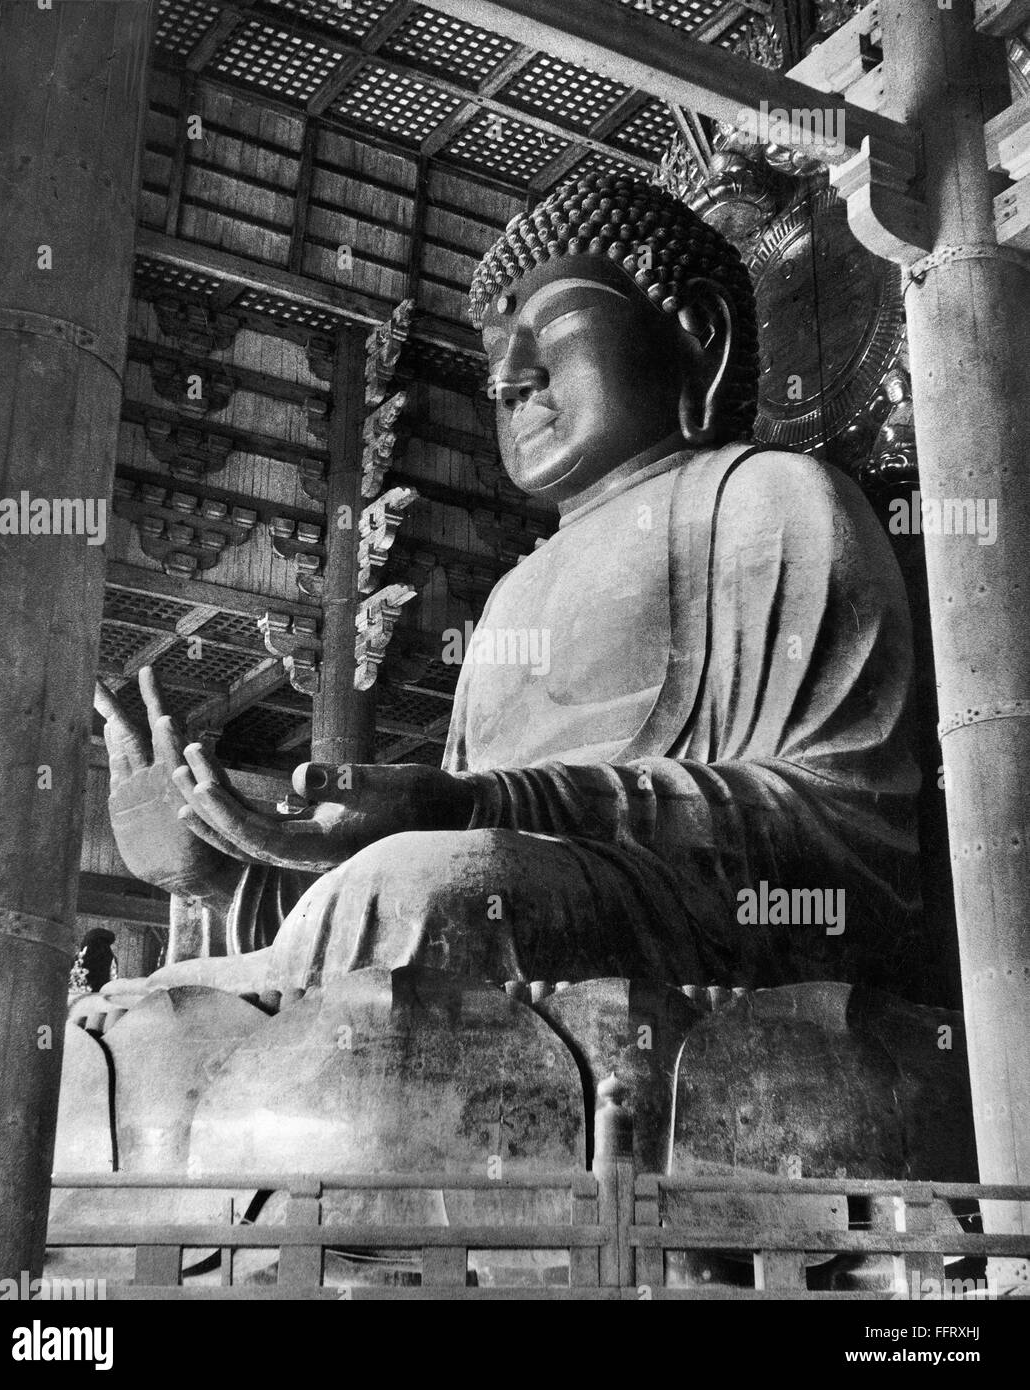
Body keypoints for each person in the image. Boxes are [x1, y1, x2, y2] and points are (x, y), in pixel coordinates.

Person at [95, 171, 922, 1002]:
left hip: (704, 932)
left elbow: (845, 833)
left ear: (696, 332)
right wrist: (217, 874)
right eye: (495, 362)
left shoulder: (768, 500)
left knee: (422, 893)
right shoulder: (508, 601)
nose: (508, 381)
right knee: (136, 1004)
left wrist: (477, 808)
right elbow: (419, 856)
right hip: (505, 901)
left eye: (553, 333)